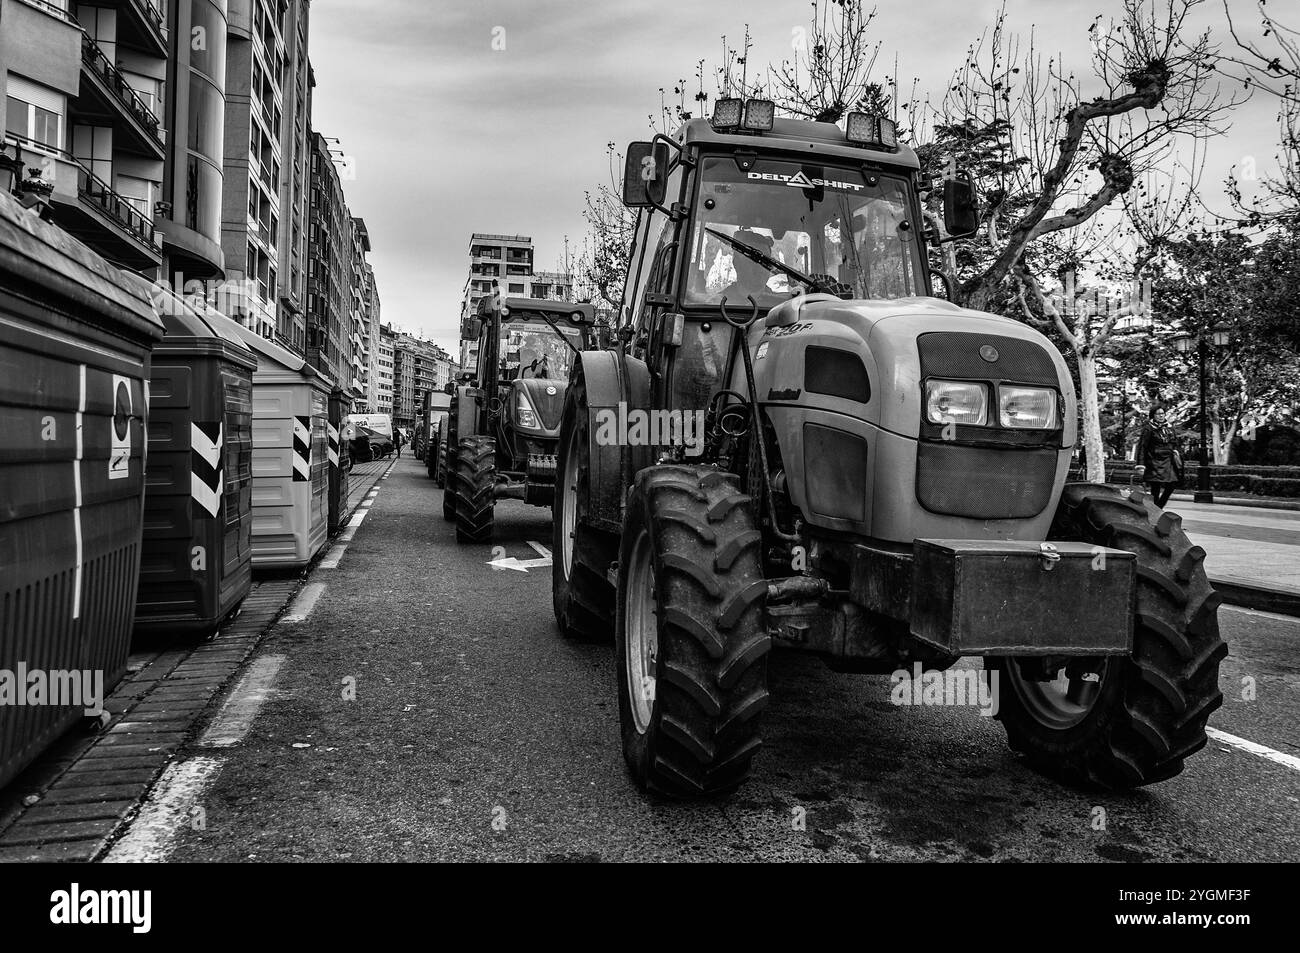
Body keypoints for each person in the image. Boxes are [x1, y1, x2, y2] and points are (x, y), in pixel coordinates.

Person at [1134, 406, 1183, 508]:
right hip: (1154, 462)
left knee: (1172, 485)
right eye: (1158, 414)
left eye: (1162, 413)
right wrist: (1140, 465)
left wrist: (1176, 451)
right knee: (1155, 490)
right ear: (1153, 415)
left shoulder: (1169, 427)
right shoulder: (1148, 428)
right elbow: (1142, 447)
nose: (1161, 416)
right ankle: (1154, 511)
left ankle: (1158, 508)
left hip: (1168, 461)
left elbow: (1175, 442)